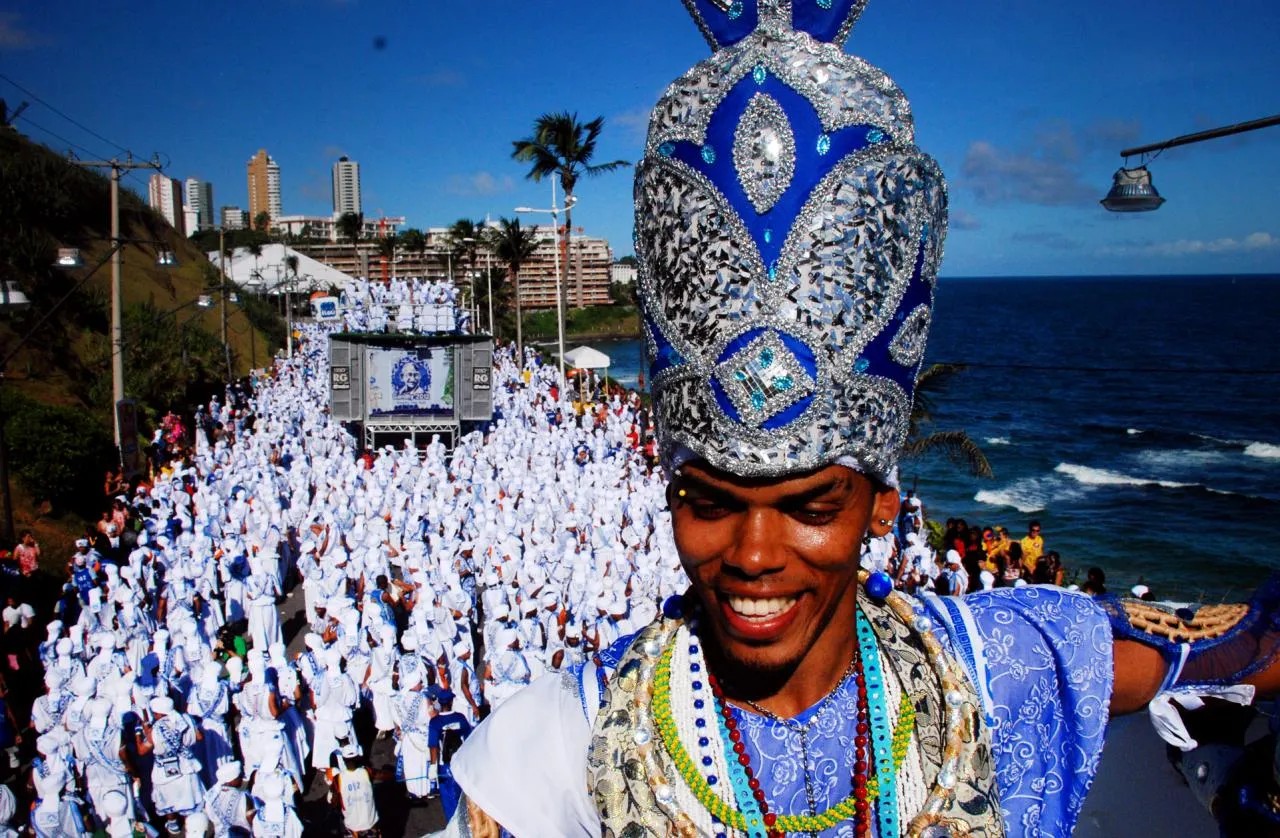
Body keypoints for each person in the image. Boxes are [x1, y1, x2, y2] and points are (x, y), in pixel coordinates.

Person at [439, 3, 1280, 836]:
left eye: (810, 507)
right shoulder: (559, 748)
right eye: (710, 502)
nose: (753, 557)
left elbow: (1239, 649)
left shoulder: (1005, 667)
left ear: (883, 502)